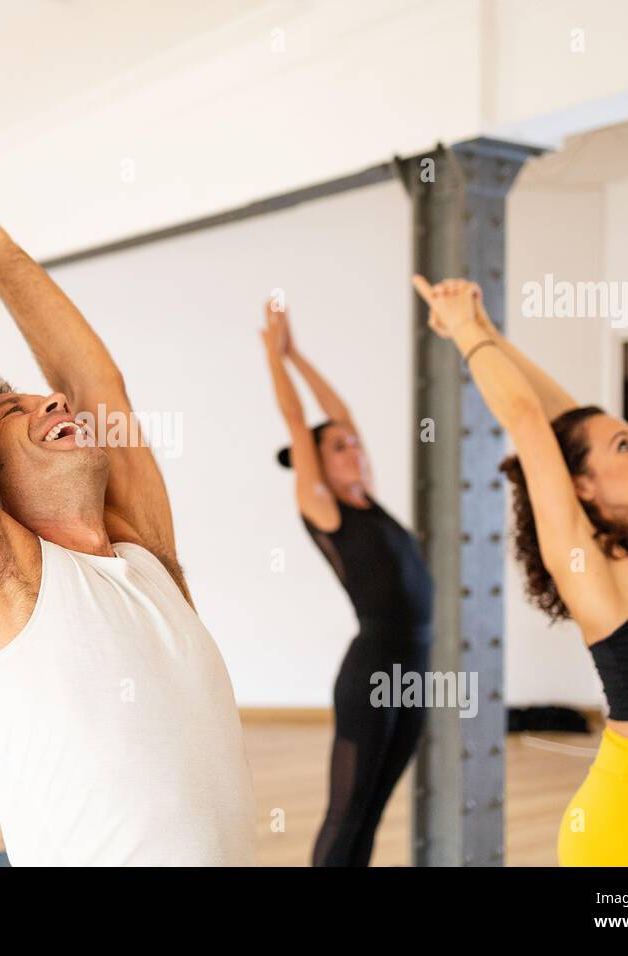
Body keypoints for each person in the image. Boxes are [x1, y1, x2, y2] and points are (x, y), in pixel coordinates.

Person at [0, 166, 256, 866]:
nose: (53, 406)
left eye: (47, 402)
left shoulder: (146, 560)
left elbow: (94, 384)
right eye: (16, 413)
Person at [413, 275, 628, 866]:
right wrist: (463, 329)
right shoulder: (586, 560)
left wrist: (488, 329)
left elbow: (568, 420)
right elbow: (528, 420)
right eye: (625, 447)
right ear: (582, 485)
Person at [260, 299, 434, 866]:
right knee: (348, 809)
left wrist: (301, 353)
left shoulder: (369, 500)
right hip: (373, 669)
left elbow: (342, 413)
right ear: (317, 463)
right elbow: (297, 421)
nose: (353, 447)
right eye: (338, 447)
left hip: (417, 670)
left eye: (354, 442)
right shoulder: (326, 510)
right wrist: (275, 356)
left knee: (376, 809)